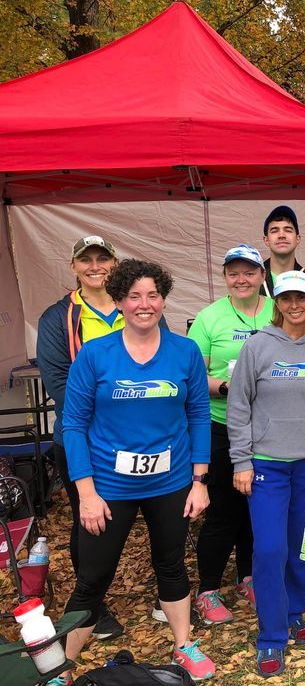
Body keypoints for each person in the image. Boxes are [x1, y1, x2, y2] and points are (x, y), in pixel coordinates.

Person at [58, 259, 215, 683]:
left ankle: (183, 644)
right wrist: (87, 493)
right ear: (120, 301)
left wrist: (199, 480)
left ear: (163, 300)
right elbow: (73, 424)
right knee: (93, 576)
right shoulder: (95, 354)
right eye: (134, 296)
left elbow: (199, 415)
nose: (144, 304)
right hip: (109, 485)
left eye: (153, 295)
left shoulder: (185, 352)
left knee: (171, 563)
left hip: (171, 480)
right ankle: (60, 667)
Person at [228, 270, 305, 677]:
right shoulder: (258, 347)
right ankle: (271, 637)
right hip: (267, 467)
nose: (294, 305)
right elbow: (239, 407)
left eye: (302, 298)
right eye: (286, 299)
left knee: (302, 546)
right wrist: (241, 461)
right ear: (276, 303)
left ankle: (295, 611)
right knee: (269, 550)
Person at [35, 235, 128, 643]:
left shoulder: (135, 306)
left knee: (149, 515)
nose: (95, 266)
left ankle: (169, 594)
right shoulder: (57, 317)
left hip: (140, 439)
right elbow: (59, 384)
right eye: (85, 260)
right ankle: (92, 605)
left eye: (102, 258)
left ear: (114, 263)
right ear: (73, 267)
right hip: (83, 439)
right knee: (89, 521)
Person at [188, 245, 272, 624]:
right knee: (223, 510)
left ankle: (247, 577)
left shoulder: (277, 311)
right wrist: (228, 387)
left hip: (268, 426)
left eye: (249, 272)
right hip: (221, 424)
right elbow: (192, 378)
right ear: (225, 277)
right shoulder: (209, 318)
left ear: (261, 276)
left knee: (255, 508)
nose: (242, 279)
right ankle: (208, 589)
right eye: (234, 272)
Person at [260, 204, 305, 323]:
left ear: (298, 238)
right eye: (274, 230)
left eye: (288, 230)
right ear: (266, 240)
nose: (281, 235)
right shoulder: (253, 283)